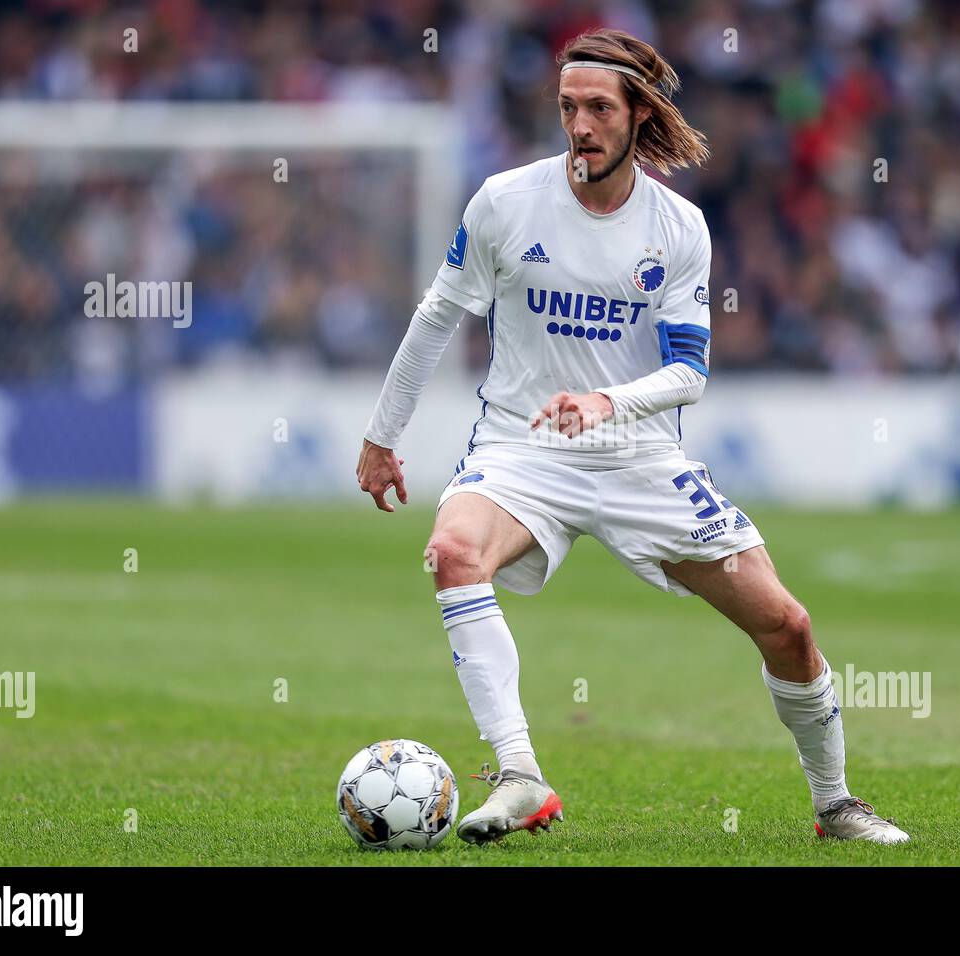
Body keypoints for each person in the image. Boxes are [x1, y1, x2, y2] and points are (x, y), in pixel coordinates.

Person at [357, 28, 908, 846]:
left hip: (637, 455)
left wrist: (606, 404)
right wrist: (381, 436)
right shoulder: (505, 202)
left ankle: (836, 805)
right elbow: (437, 316)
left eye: (599, 109)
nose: (580, 126)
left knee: (787, 627)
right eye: (568, 107)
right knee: (453, 551)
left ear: (638, 113)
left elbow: (690, 373)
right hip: (523, 447)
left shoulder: (679, 227)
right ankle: (520, 775)